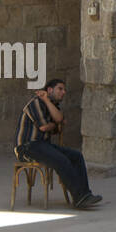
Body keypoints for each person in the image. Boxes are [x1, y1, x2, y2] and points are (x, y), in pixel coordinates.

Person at [14, 79, 101, 209]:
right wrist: (55, 123)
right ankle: (79, 197)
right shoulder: (36, 103)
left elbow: (57, 124)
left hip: (43, 145)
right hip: (27, 147)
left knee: (76, 156)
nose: (63, 92)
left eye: (64, 89)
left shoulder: (51, 106)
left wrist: (54, 122)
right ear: (49, 90)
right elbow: (46, 126)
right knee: (61, 160)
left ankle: (84, 195)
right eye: (60, 89)